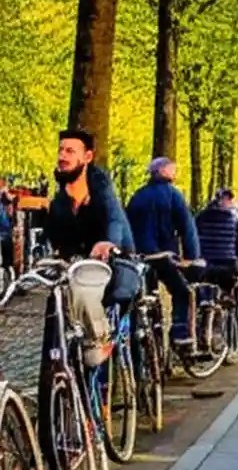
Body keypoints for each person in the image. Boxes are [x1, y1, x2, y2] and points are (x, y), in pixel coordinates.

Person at [44, 129, 136, 366]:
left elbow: (114, 219)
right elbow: (57, 239)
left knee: (85, 290)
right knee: (58, 300)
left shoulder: (102, 190)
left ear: (87, 157)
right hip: (81, 266)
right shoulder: (60, 202)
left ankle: (100, 341)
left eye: (70, 151)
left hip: (116, 264)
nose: (62, 156)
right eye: (60, 150)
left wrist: (108, 243)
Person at [126, 157, 200, 345]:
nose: (175, 174)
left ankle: (140, 336)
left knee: (143, 295)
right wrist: (191, 257)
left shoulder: (137, 196)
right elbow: (187, 227)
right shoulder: (173, 195)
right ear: (163, 171)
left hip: (139, 256)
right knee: (182, 292)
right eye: (173, 170)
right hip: (162, 255)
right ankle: (180, 332)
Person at [194, 189, 238, 295]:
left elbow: (193, 236)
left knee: (203, 288)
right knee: (232, 287)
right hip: (228, 264)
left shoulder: (202, 215)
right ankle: (228, 298)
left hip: (205, 263)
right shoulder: (235, 218)